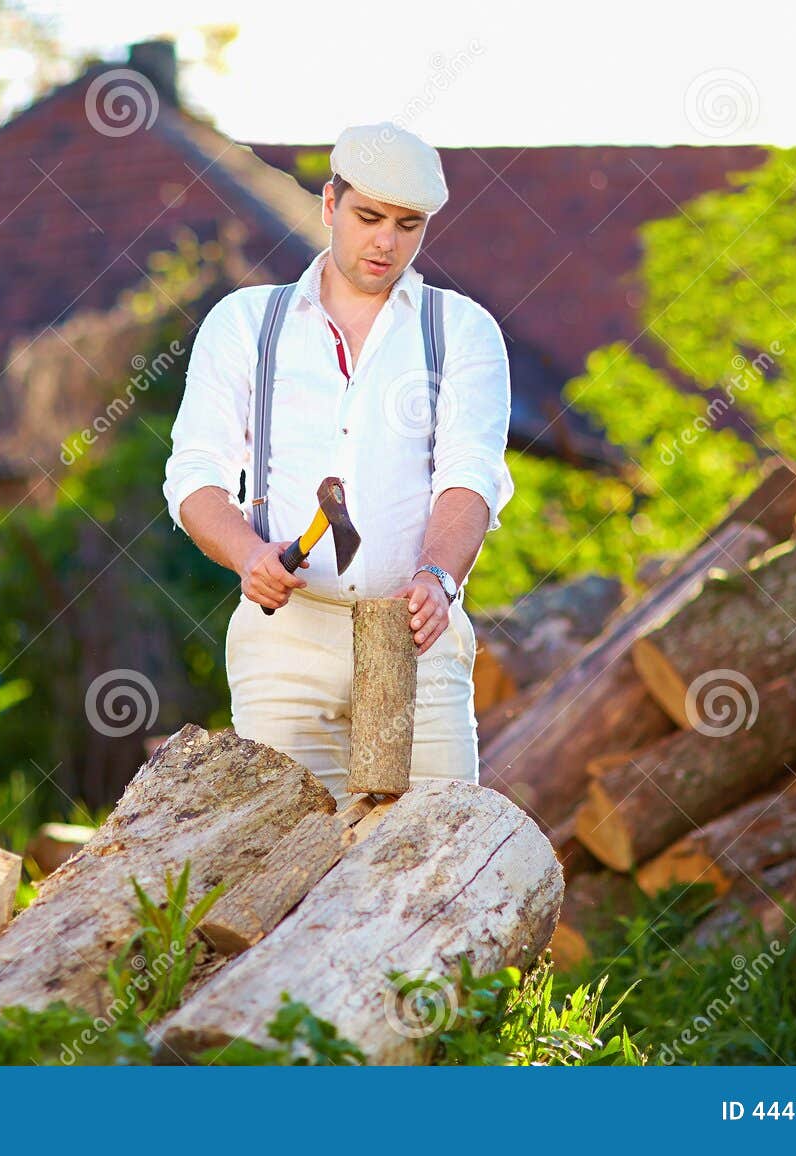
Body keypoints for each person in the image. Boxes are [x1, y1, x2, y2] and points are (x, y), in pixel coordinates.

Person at [162, 121, 515, 802]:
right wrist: (247, 555)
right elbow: (195, 476)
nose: (386, 240)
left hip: (416, 638)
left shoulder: (461, 330)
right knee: (286, 863)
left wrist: (438, 578)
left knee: (434, 862)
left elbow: (469, 479)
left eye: (407, 224)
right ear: (330, 205)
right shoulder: (245, 325)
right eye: (368, 216)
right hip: (286, 643)